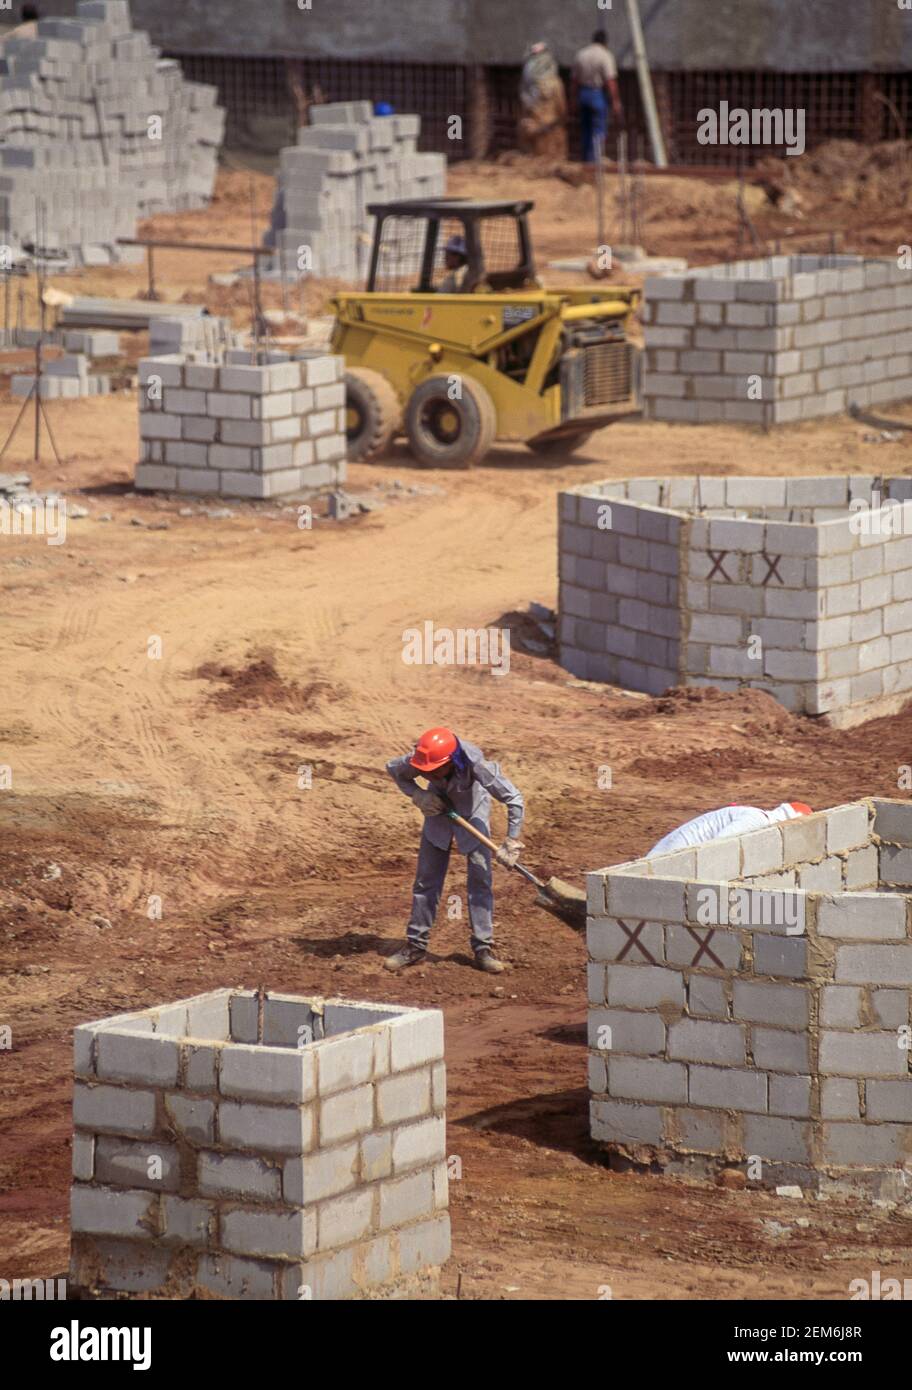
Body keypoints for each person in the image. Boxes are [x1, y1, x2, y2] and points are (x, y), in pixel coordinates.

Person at [384, 727, 525, 974]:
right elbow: (394, 770)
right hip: (437, 812)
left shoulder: (477, 765)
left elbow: (514, 798)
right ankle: (416, 946)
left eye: (434, 770)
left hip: (472, 815)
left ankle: (483, 949)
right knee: (426, 881)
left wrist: (511, 842)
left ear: (451, 761)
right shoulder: (423, 759)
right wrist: (418, 794)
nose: (429, 773)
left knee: (480, 881)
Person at [646, 802, 814, 858]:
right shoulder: (756, 820)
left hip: (680, 853)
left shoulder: (758, 818)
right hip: (673, 855)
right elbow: (717, 847)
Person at [571, 27, 623, 164]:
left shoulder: (581, 54)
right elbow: (610, 81)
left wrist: (573, 99)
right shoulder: (605, 55)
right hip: (597, 94)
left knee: (585, 129)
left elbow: (575, 81)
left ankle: (586, 160)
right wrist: (616, 101)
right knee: (598, 129)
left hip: (583, 94)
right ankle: (594, 162)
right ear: (605, 42)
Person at [518, 40, 567, 158]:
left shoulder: (525, 83)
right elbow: (561, 109)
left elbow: (523, 106)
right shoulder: (554, 82)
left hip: (529, 127)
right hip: (548, 131)